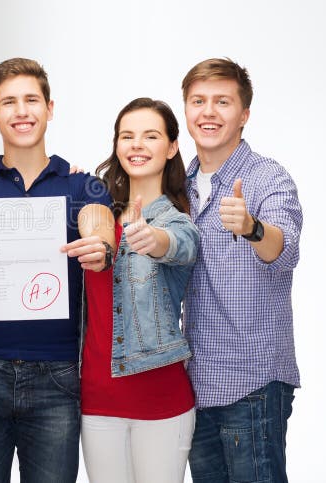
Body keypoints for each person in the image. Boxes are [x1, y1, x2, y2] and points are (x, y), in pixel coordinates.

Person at [0, 57, 115, 483]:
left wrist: (101, 245)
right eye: (9, 102)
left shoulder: (81, 183)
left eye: (31, 100)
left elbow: (98, 219)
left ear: (50, 108)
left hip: (56, 375)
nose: (21, 111)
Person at [181, 58, 303, 483]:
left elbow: (284, 248)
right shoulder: (180, 184)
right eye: (198, 101)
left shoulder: (267, 178)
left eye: (222, 102)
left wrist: (252, 227)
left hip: (252, 382)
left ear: (244, 114)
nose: (208, 112)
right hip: (196, 382)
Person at [81, 98, 199, 483]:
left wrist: (152, 238)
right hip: (97, 400)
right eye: (127, 136)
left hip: (161, 401)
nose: (137, 145)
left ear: (171, 147)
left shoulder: (176, 221)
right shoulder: (96, 217)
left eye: (151, 136)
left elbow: (180, 245)